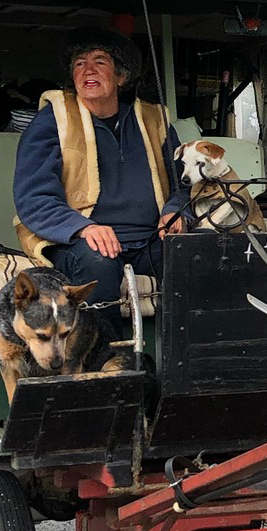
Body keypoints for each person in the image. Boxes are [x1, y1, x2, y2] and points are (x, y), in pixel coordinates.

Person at [13, 25, 188, 326]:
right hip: (78, 241)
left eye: (99, 61)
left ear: (121, 77)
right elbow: (33, 197)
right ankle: (106, 361)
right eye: (80, 64)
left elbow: (183, 181)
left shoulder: (154, 119)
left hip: (149, 239)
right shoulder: (53, 119)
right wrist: (83, 228)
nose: (87, 70)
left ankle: (191, 358)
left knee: (195, 255)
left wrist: (173, 212)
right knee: (99, 263)